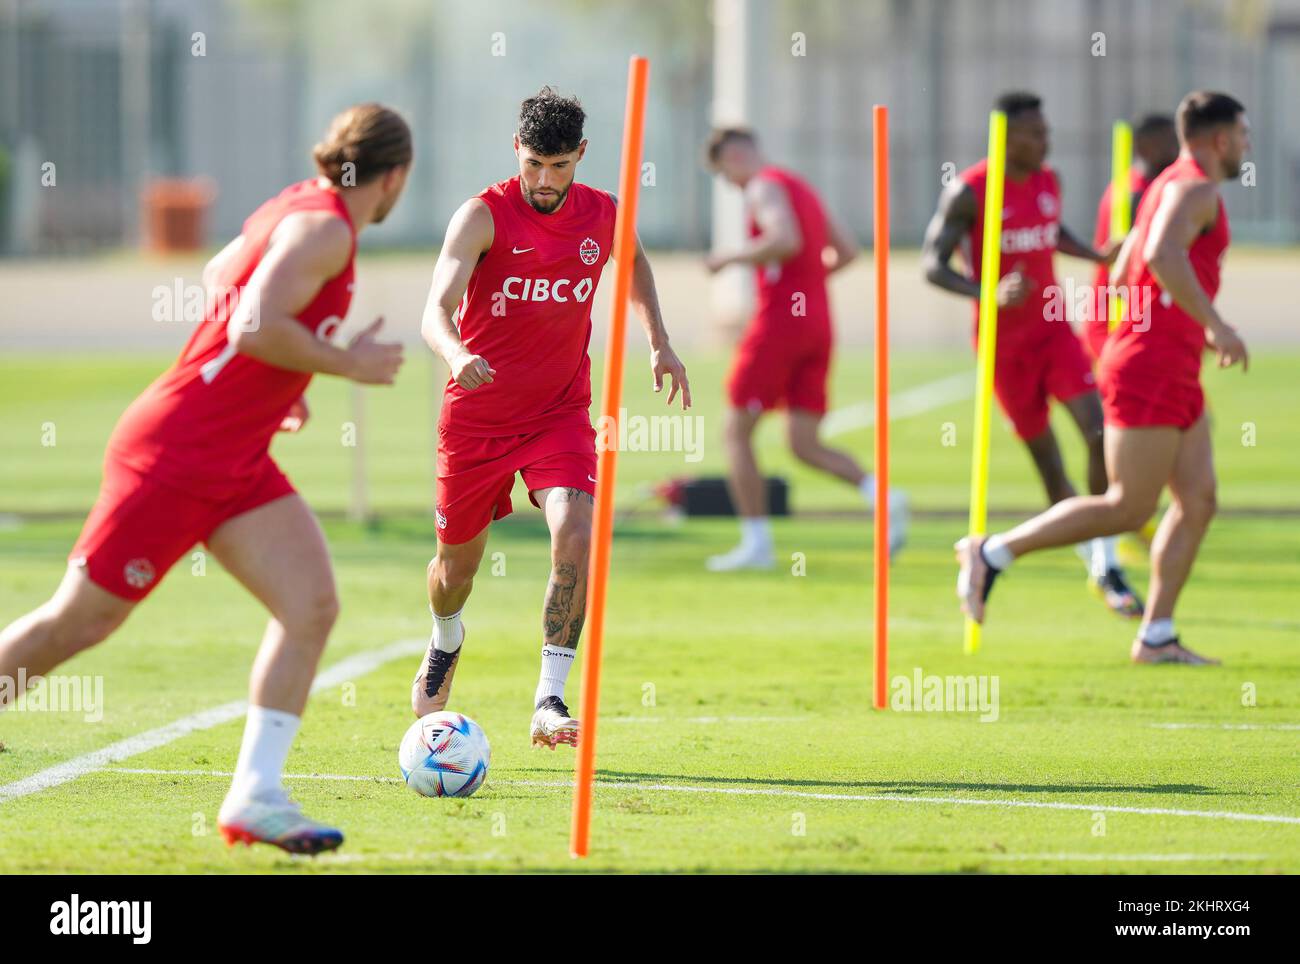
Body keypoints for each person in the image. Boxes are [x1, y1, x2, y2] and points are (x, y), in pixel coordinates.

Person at [0, 103, 412, 852]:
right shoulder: (325, 228)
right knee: (79, 622)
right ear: (395, 178)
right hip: (177, 451)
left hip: (234, 458)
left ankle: (256, 795)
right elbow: (254, 324)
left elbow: (223, 274)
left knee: (311, 604)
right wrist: (346, 363)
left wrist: (274, 391)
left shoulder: (295, 203)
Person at [413, 87, 690, 748]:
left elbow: (637, 263)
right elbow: (435, 308)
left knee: (575, 532)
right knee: (455, 572)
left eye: (559, 166)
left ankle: (548, 699)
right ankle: (447, 636)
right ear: (518, 151)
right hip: (476, 419)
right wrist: (455, 353)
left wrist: (659, 340)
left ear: (581, 157)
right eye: (535, 163)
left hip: (558, 416)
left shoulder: (604, 215)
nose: (544, 179)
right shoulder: (482, 216)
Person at [955, 91, 1250, 666]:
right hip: (1151, 366)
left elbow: (1127, 263)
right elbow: (1162, 255)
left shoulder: (1168, 181)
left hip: (1169, 362)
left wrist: (1164, 318)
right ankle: (992, 552)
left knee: (1198, 499)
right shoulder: (1193, 188)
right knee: (1126, 507)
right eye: (1242, 135)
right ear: (1219, 139)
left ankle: (1158, 634)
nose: (1246, 146)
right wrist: (1215, 323)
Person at [922, 91, 1141, 617]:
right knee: (1049, 465)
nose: (1046, 140)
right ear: (1007, 136)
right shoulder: (970, 191)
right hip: (1002, 346)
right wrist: (987, 293)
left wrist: (1093, 253)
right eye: (1035, 133)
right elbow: (932, 263)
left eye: (1047, 130)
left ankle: (1107, 561)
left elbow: (1051, 231)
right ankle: (1090, 557)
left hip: (1053, 330)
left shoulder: (1048, 179)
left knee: (1098, 430)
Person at [703, 128, 908, 572]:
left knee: (735, 431)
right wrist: (808, 289)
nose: (733, 187)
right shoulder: (802, 187)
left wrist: (728, 258)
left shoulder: (763, 185)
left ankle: (757, 543)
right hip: (817, 320)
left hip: (779, 323)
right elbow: (848, 251)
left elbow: (786, 239)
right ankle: (884, 498)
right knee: (803, 442)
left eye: (726, 175)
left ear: (735, 158)